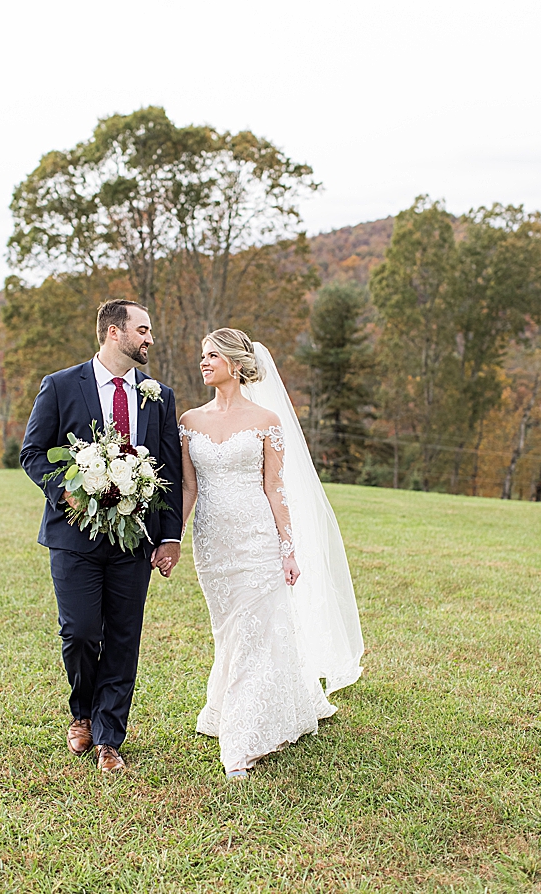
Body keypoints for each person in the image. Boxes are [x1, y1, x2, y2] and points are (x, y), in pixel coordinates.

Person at [179, 328, 363, 779]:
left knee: (256, 633)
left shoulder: (266, 420)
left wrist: (287, 549)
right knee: (230, 632)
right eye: (202, 356)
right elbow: (188, 486)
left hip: (258, 540)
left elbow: (275, 490)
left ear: (236, 365)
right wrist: (171, 539)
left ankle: (244, 739)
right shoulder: (189, 420)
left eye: (211, 356)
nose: (203, 363)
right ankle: (229, 707)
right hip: (213, 544)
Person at [20, 299, 183, 773]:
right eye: (143, 330)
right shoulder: (60, 385)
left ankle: (109, 737)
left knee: (124, 637)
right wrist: (66, 494)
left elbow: (169, 466)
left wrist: (169, 537)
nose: (150, 338)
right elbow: (33, 453)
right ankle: (82, 712)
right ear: (114, 333)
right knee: (79, 631)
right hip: (74, 536)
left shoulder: (160, 395)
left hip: (136, 537)